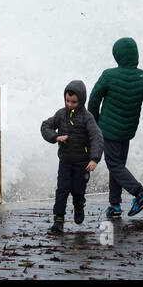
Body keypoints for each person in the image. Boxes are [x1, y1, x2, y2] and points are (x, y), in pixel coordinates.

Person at [88, 37, 143, 218]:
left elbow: (93, 100)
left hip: (109, 130)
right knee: (118, 166)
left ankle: (139, 193)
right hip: (127, 131)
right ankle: (114, 206)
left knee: (114, 165)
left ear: (118, 56)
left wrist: (94, 124)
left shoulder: (109, 75)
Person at [40, 79, 103, 233]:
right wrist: (55, 137)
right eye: (67, 100)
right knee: (62, 189)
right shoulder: (61, 114)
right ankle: (58, 221)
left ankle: (79, 207)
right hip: (65, 161)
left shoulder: (87, 117)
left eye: (73, 102)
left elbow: (97, 137)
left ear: (81, 101)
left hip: (82, 163)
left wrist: (94, 159)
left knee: (78, 190)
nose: (69, 104)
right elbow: (45, 126)